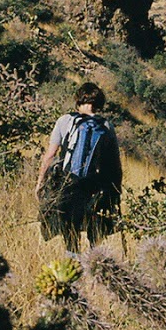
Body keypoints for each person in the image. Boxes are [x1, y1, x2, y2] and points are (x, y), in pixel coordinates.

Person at [36, 82, 123, 250]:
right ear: (99, 103)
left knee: (70, 229)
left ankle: (73, 258)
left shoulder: (65, 121)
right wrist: (115, 194)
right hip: (92, 185)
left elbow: (49, 156)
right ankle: (93, 260)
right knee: (93, 224)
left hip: (67, 182)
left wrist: (40, 181)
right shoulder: (106, 126)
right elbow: (114, 165)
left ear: (78, 99)